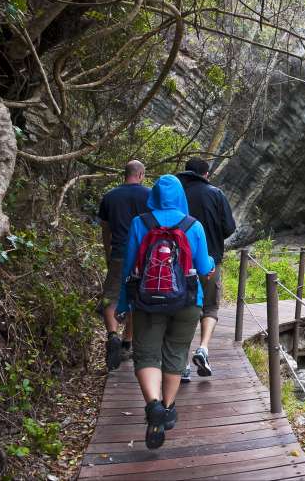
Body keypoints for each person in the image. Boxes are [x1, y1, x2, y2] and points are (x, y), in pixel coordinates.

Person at [116, 175, 215, 449]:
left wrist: (124, 304)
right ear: (181, 196)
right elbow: (205, 269)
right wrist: (211, 264)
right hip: (186, 302)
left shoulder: (140, 223)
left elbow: (128, 268)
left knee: (146, 353)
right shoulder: (193, 226)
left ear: (154, 195)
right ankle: (167, 407)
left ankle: (153, 405)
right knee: (175, 354)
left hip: (147, 301)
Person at [176, 158, 236, 380]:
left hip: (178, 263)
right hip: (210, 261)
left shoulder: (176, 192)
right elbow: (229, 228)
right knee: (209, 307)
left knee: (182, 309)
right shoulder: (215, 194)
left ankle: (182, 364)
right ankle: (203, 348)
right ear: (206, 174)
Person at [96, 160, 150, 371]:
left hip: (119, 254)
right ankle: (127, 343)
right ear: (141, 175)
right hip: (142, 257)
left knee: (111, 297)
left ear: (124, 174)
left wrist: (108, 254)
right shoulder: (149, 195)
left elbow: (105, 230)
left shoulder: (110, 196)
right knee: (135, 299)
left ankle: (112, 336)